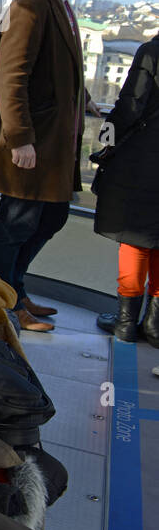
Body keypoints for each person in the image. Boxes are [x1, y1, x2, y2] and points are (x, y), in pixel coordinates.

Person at [0, 0, 99, 332]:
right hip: (34, 142)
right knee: (17, 223)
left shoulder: (55, 4)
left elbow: (55, 65)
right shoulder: (31, 5)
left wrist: (83, 97)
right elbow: (10, 76)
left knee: (51, 217)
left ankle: (15, 292)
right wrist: (20, 138)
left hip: (51, 143)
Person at [92, 35, 159, 343]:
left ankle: (125, 322)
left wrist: (105, 140)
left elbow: (130, 104)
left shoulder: (152, 51)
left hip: (145, 160)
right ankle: (154, 324)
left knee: (135, 237)